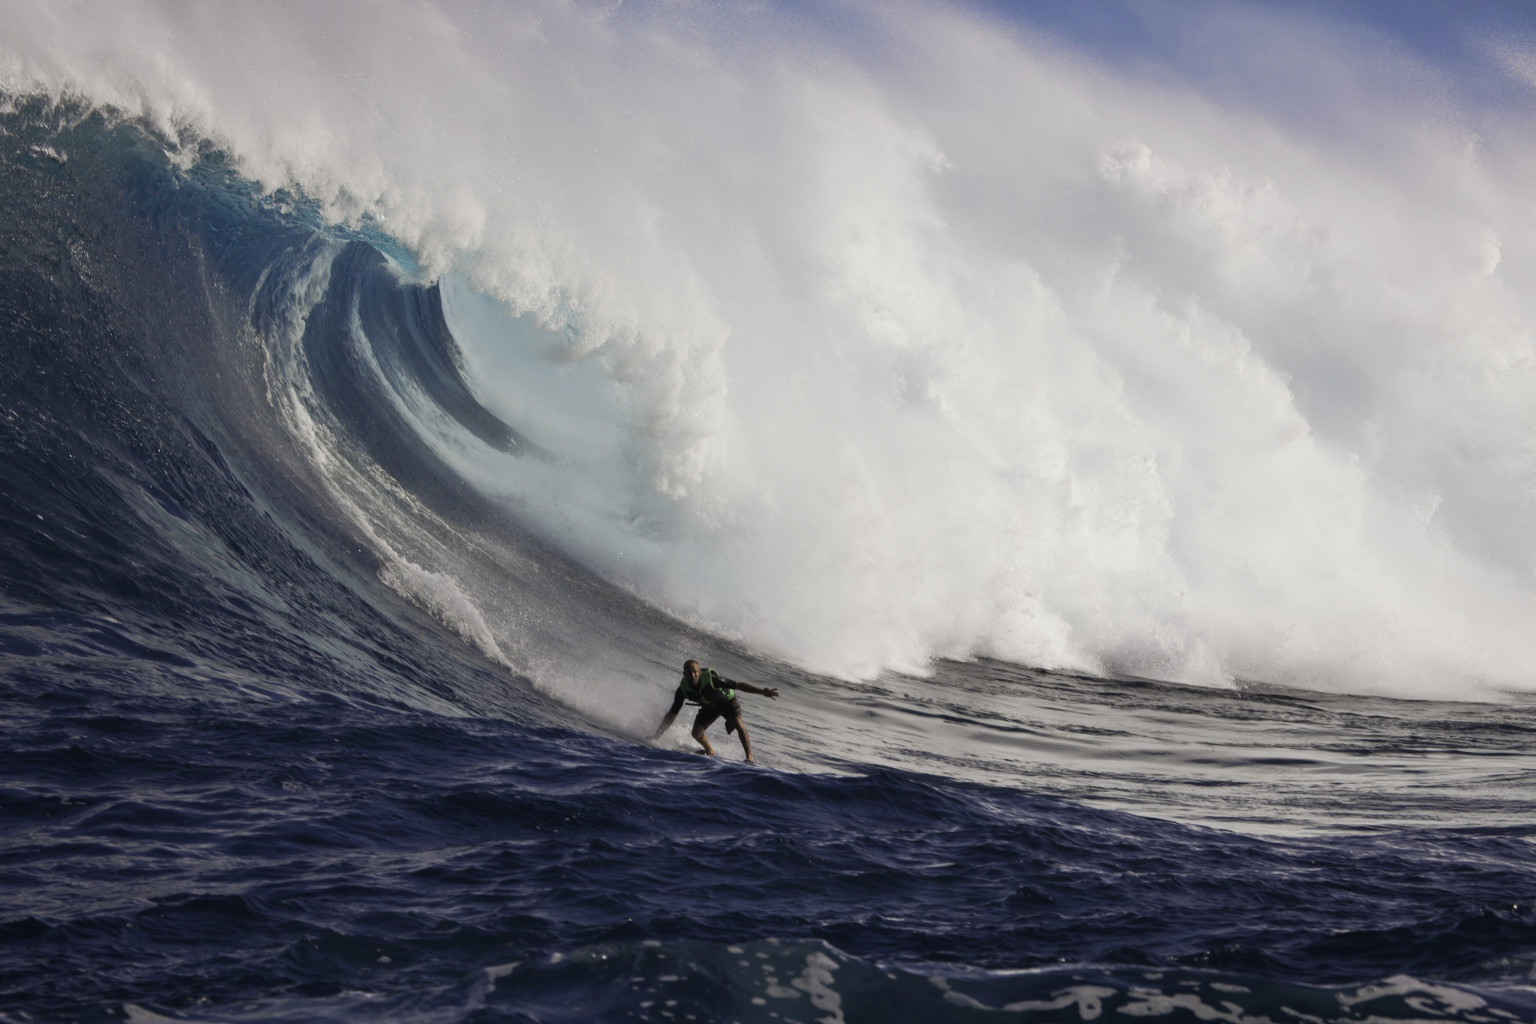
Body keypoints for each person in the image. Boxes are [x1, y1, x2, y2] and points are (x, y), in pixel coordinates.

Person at [651, 659, 779, 762]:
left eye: (695, 672)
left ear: (699, 672)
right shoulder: (682, 690)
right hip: (710, 707)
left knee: (737, 723)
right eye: (689, 673)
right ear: (684, 674)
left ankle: (749, 757)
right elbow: (672, 714)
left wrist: (762, 692)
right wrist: (656, 737)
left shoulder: (712, 679)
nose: (692, 675)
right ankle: (710, 751)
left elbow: (738, 685)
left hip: (728, 701)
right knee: (696, 733)